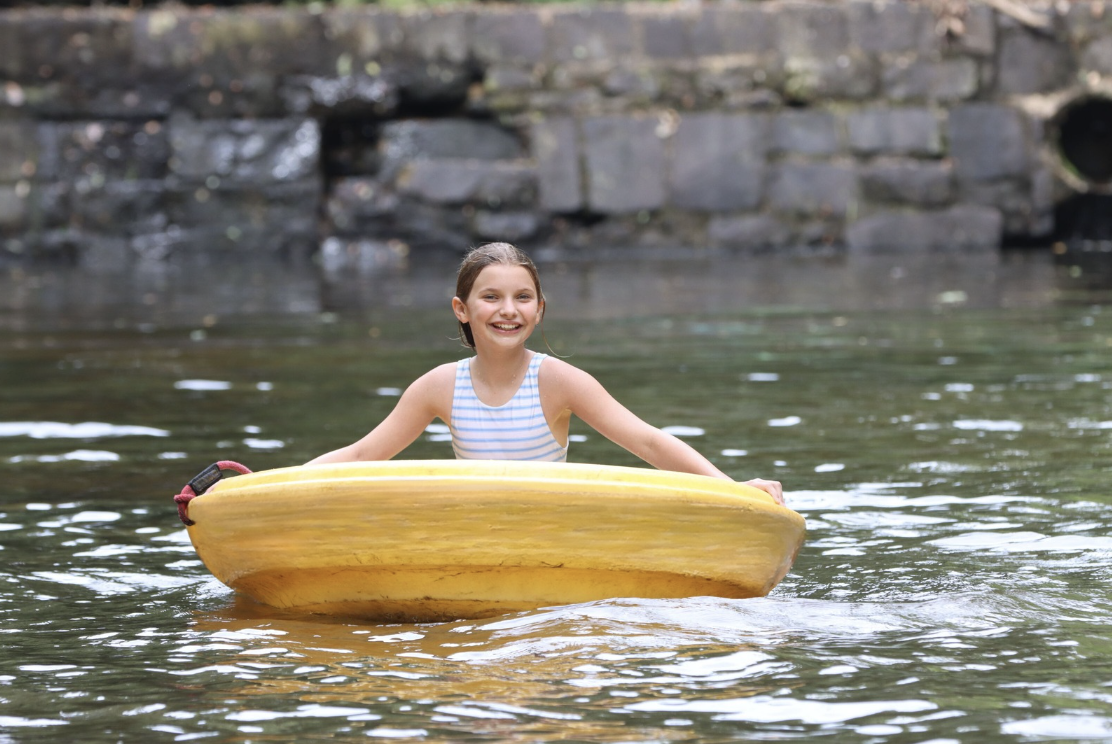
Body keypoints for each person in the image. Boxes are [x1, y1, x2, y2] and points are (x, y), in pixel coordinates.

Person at [306, 242, 785, 505]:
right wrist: (264, 485)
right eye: (491, 297)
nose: (508, 311)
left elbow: (648, 441)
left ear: (539, 310)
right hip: (474, 530)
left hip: (548, 526)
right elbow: (365, 452)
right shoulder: (439, 386)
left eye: (523, 298)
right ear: (461, 309)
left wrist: (732, 488)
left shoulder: (556, 380)